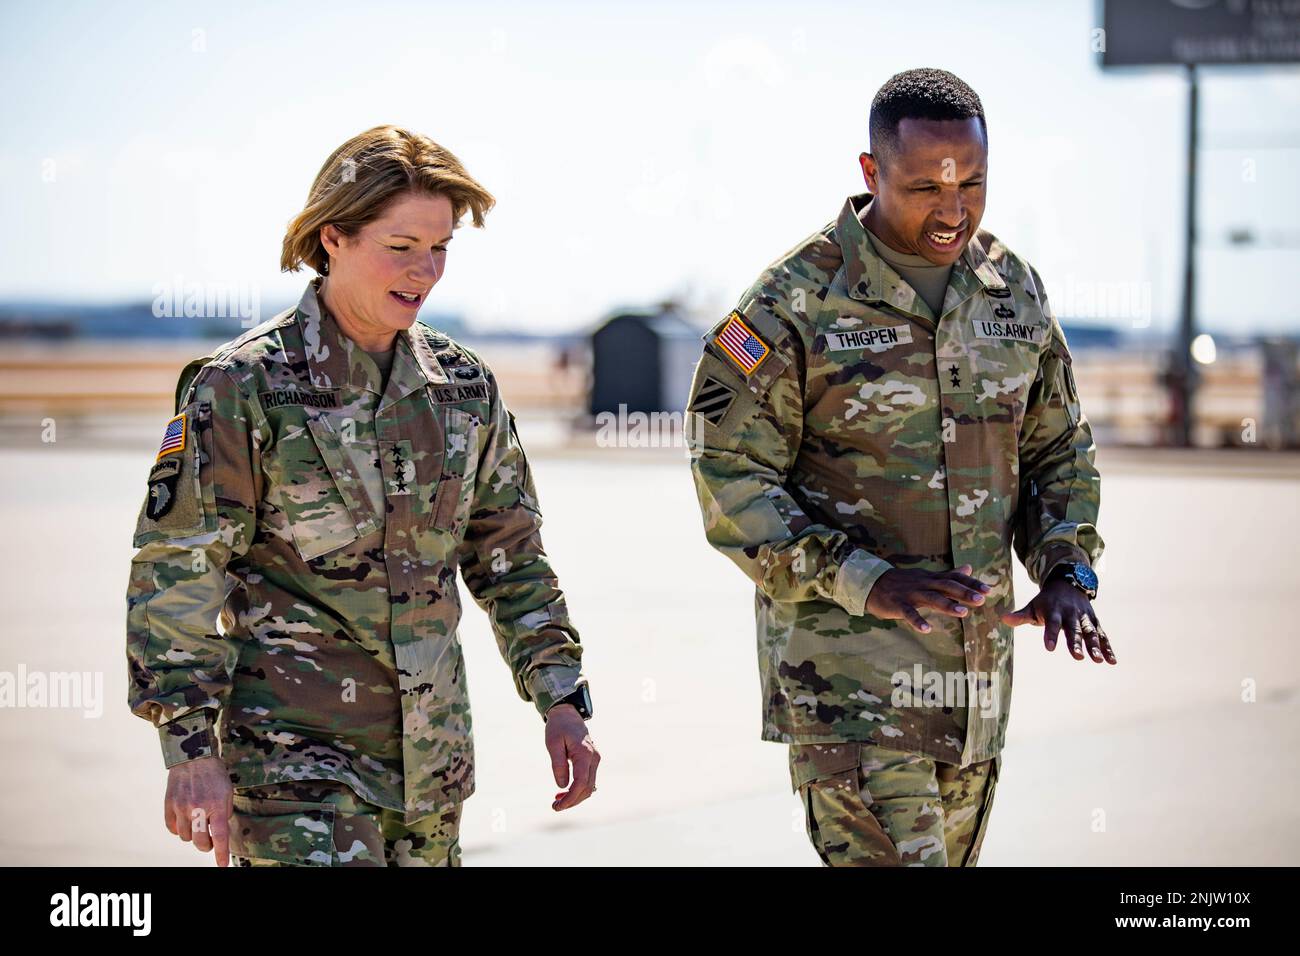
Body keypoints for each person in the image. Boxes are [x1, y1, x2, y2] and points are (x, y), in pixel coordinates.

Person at [126, 125, 598, 867]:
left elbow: (510, 557)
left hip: (431, 772)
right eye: (401, 246)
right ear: (334, 237)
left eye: (439, 247)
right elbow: (177, 573)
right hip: (294, 775)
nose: (426, 270)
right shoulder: (245, 386)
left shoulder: (464, 387)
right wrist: (188, 750)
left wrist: (561, 696)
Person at [685, 68, 1112, 867]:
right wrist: (865, 577)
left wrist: (1066, 567)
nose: (954, 212)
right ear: (871, 173)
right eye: (924, 188)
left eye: (974, 184)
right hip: (852, 687)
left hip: (976, 686)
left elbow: (1057, 446)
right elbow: (728, 472)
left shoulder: (1011, 290)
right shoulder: (792, 302)